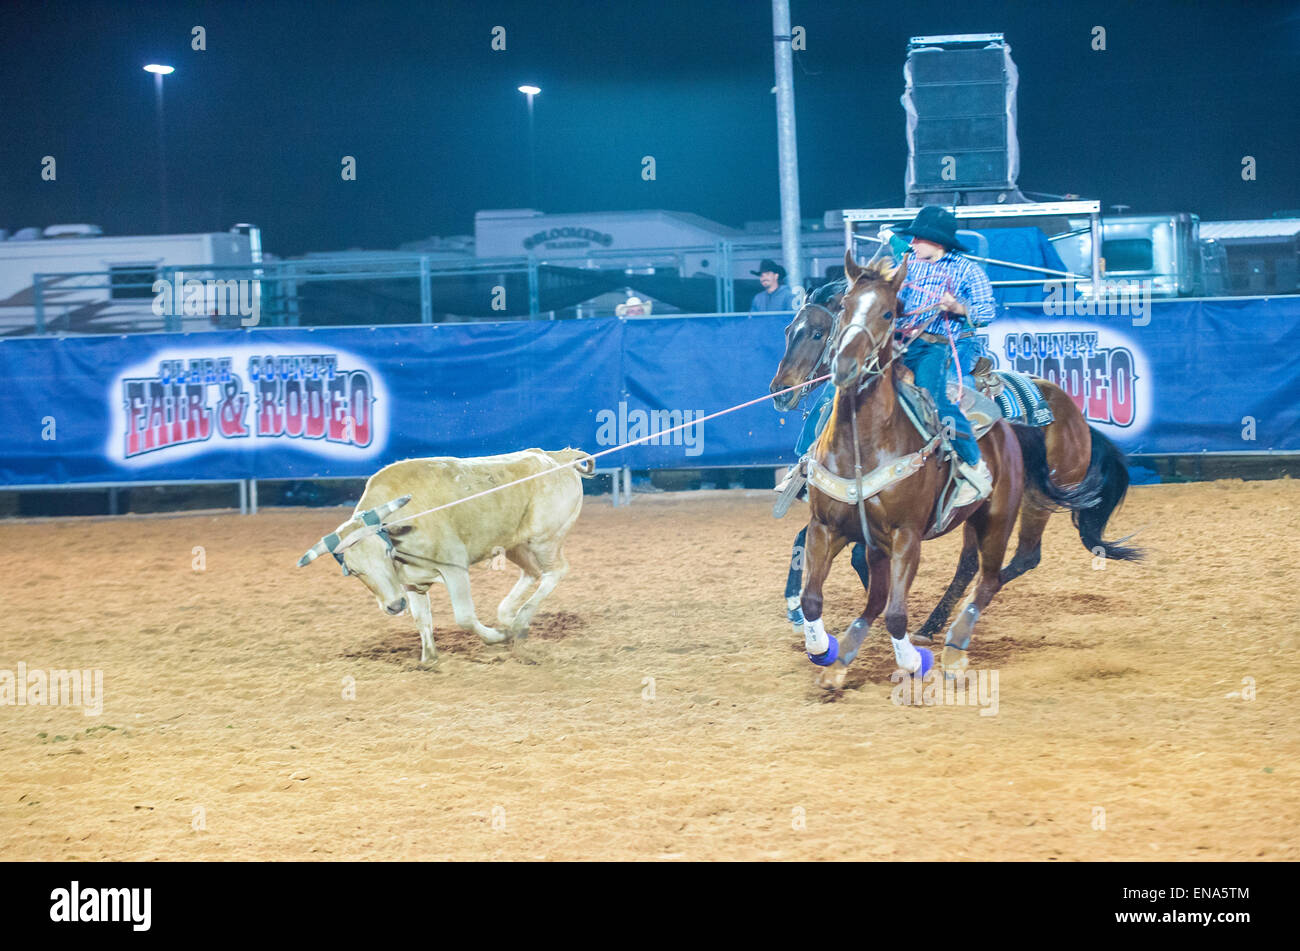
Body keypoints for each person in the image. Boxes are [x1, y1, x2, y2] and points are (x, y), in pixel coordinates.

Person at [776, 206, 995, 509]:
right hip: (894, 344)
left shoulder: (967, 270)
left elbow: (986, 313)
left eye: (919, 238)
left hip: (934, 346)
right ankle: (801, 465)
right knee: (834, 392)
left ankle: (973, 466)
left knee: (933, 396)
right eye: (913, 239)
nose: (913, 243)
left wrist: (957, 307)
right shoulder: (906, 265)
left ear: (937, 241)